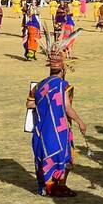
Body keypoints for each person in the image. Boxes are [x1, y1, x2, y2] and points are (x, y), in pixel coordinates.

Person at [28, 45, 87, 196]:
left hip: (42, 129)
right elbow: (67, 107)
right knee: (65, 156)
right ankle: (59, 186)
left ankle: (48, 187)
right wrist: (80, 122)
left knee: (47, 154)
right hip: (59, 129)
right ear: (63, 70)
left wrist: (44, 103)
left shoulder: (39, 85)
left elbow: (29, 103)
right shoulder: (62, 85)